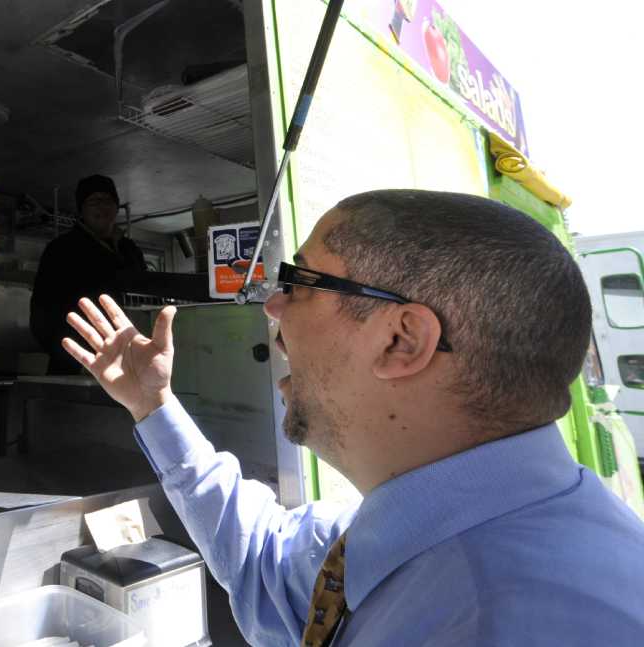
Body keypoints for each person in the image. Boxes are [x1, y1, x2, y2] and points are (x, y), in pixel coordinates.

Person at [62, 190, 644, 646]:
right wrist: (153, 404)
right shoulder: (404, 534)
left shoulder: (516, 623)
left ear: (401, 339)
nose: (273, 307)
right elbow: (266, 560)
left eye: (301, 283)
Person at [30, 174, 147, 374]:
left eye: (108, 200)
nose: (102, 206)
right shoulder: (61, 249)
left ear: (116, 207)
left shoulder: (130, 250)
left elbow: (146, 296)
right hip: (76, 363)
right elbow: (41, 314)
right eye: (94, 201)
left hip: (127, 362)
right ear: (81, 211)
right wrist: (70, 355)